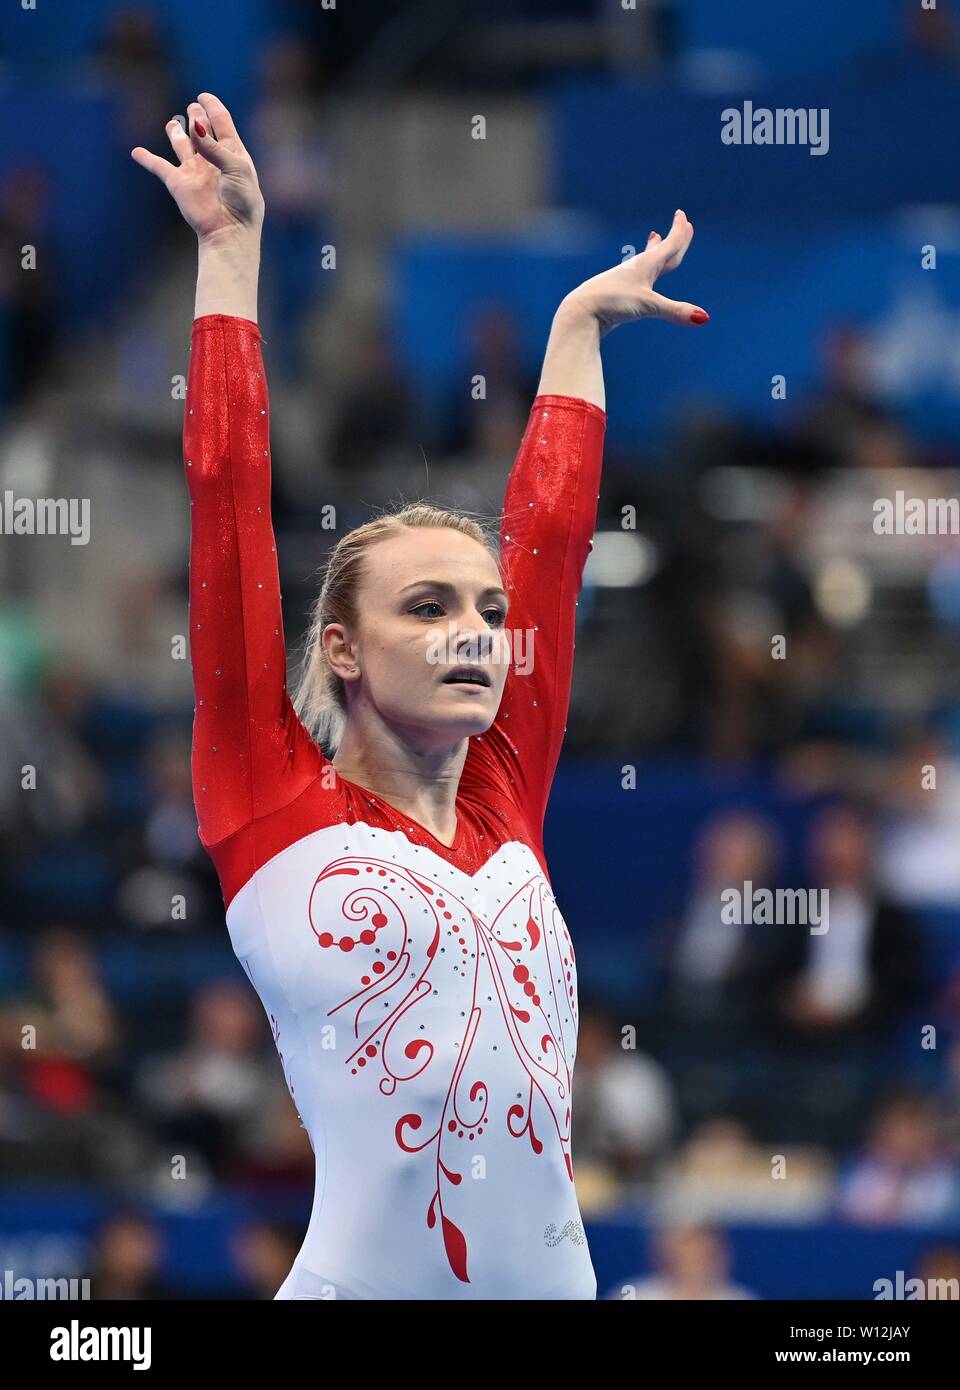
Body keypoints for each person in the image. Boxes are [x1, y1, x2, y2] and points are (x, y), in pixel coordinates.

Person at [131, 91, 709, 1301]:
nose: (476, 637)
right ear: (340, 647)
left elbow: (549, 549)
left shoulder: (508, 794)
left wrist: (572, 334)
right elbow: (226, 498)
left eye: (487, 615)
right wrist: (231, 255)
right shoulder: (271, 797)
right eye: (428, 608)